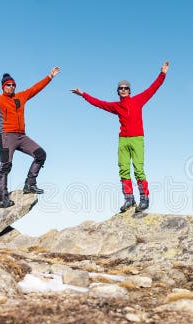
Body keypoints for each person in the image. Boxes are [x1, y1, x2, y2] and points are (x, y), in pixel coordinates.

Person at [71, 61, 169, 212]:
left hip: (137, 139)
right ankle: (129, 199)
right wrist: (83, 95)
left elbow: (153, 88)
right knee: (123, 169)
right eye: (120, 88)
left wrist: (162, 73)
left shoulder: (138, 100)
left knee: (138, 169)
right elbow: (99, 103)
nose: (123, 90)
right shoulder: (116, 106)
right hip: (123, 140)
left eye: (126, 88)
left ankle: (144, 198)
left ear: (129, 90)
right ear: (118, 91)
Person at [0, 64, 60, 208]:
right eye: (8, 85)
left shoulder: (21, 97)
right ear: (3, 87)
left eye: (13, 85)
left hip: (22, 137)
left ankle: (29, 184)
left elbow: (35, 89)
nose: (11, 87)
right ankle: (3, 199)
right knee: (5, 166)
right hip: (6, 137)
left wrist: (50, 77)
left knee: (41, 154)